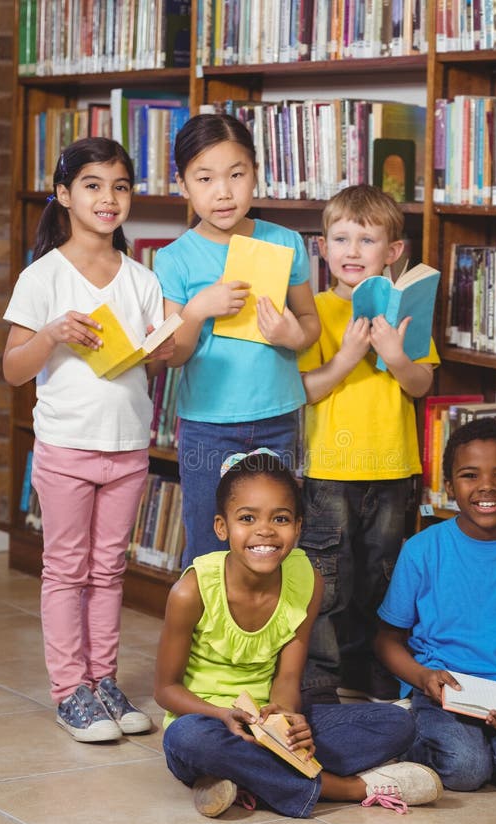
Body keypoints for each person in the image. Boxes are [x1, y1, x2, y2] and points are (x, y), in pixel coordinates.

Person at [155, 451, 443, 818]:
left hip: (269, 725)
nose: (265, 530)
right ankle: (343, 788)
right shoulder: (191, 591)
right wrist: (222, 715)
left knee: (398, 723)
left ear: (299, 526)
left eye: (281, 518)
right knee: (187, 739)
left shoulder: (308, 580)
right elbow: (166, 691)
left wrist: (289, 718)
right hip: (207, 724)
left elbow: (289, 676)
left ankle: (241, 779)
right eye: (247, 518)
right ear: (221, 527)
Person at [3, 138, 175, 742]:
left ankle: (102, 680)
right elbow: (14, 369)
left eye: (120, 186)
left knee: (109, 571)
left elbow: (152, 363)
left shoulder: (141, 279)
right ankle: (68, 690)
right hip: (66, 449)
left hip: (128, 448)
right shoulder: (42, 276)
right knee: (65, 570)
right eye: (94, 185)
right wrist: (51, 334)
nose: (109, 198)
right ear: (64, 194)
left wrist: (167, 344)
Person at [153, 113, 320, 565]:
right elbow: (174, 354)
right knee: (208, 543)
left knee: (275, 544)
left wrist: (292, 333)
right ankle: (208, 637)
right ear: (184, 186)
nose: (223, 192)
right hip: (208, 424)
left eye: (236, 175)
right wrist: (197, 309)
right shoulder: (174, 259)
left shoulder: (285, 242)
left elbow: (310, 323)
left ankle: (267, 635)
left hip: (278, 418)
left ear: (255, 175)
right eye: (205, 178)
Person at [297, 184, 440, 705]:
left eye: (367, 239)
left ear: (394, 251)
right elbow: (303, 390)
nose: (352, 251)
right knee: (328, 580)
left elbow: (420, 384)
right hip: (328, 470)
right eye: (340, 239)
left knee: (383, 579)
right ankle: (319, 682)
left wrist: (393, 352)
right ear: (322, 247)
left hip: (391, 469)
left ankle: (378, 676)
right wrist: (347, 357)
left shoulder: (407, 310)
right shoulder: (312, 312)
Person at [375, 417, 496, 792]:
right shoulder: (422, 550)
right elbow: (386, 640)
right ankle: (410, 734)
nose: (487, 487)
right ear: (449, 486)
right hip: (443, 690)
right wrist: (422, 678)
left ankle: (486, 743)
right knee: (466, 770)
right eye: (470, 475)